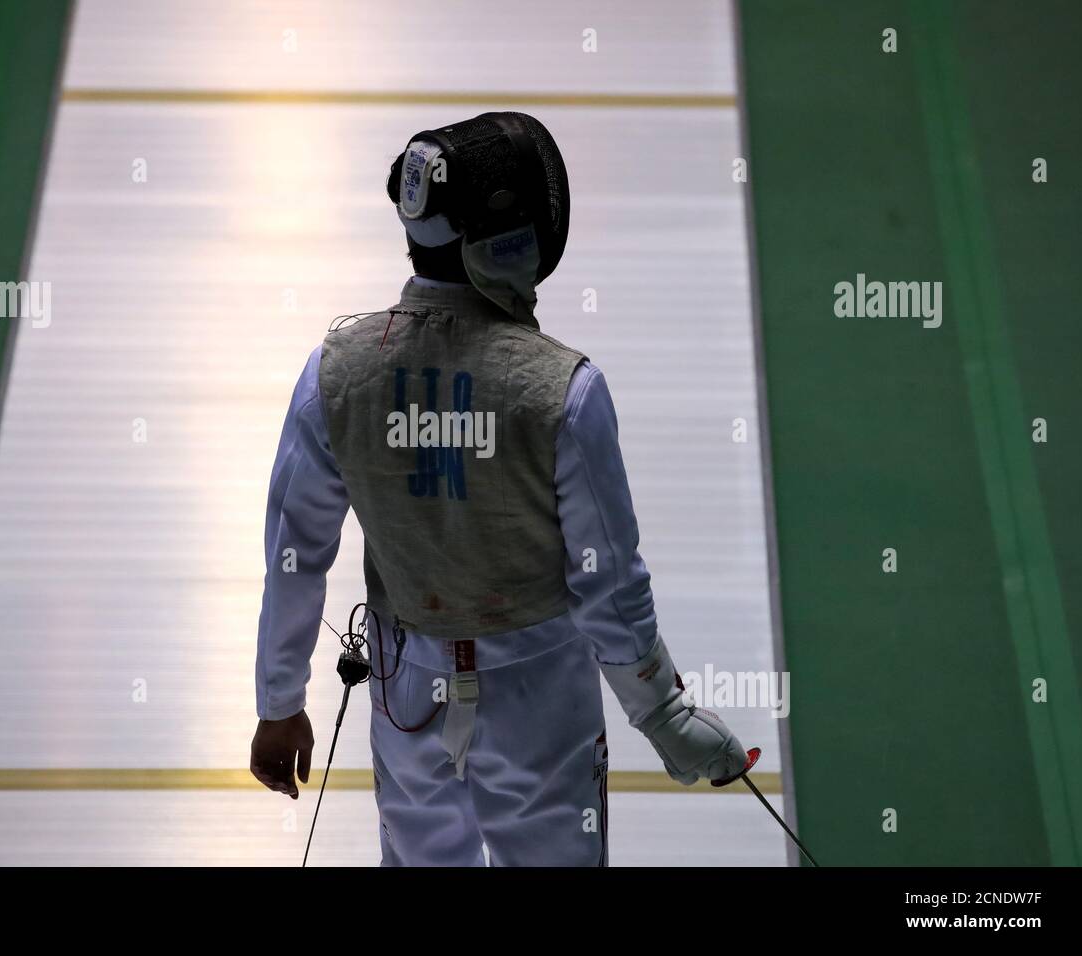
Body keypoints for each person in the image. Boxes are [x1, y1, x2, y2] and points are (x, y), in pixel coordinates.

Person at [250, 112, 748, 866]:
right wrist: (663, 712)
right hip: (538, 696)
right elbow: (606, 582)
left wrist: (279, 703)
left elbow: (294, 556)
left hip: (406, 692)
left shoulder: (335, 374)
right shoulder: (564, 392)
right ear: (508, 241)